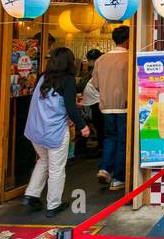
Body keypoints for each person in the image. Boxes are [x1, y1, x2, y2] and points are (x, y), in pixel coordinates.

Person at [22, 47, 91, 218]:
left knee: (43, 160)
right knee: (56, 169)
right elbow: (71, 108)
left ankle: (31, 194)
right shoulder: (67, 81)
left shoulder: (42, 77)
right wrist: (83, 126)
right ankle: (53, 204)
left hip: (35, 130)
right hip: (54, 132)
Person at [91, 25, 131, 191]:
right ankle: (119, 178)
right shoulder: (130, 58)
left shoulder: (101, 60)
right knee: (123, 142)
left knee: (109, 138)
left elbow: (95, 84)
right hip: (124, 107)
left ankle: (105, 168)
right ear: (129, 39)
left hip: (106, 108)